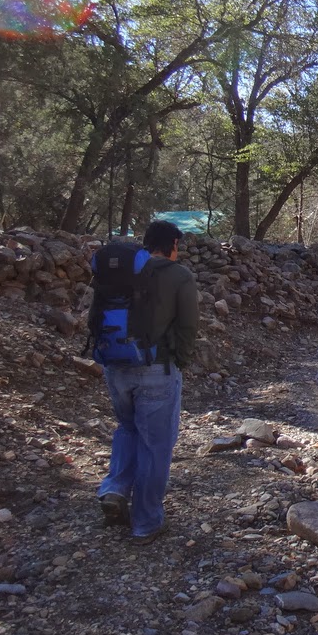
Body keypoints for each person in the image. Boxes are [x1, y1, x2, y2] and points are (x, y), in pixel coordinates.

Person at [94, 220, 199, 544]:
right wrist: (178, 361)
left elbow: (93, 317)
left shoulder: (120, 271)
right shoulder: (179, 275)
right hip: (157, 369)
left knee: (127, 429)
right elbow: (188, 326)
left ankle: (114, 488)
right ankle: (146, 522)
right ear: (173, 245)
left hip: (115, 366)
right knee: (156, 445)